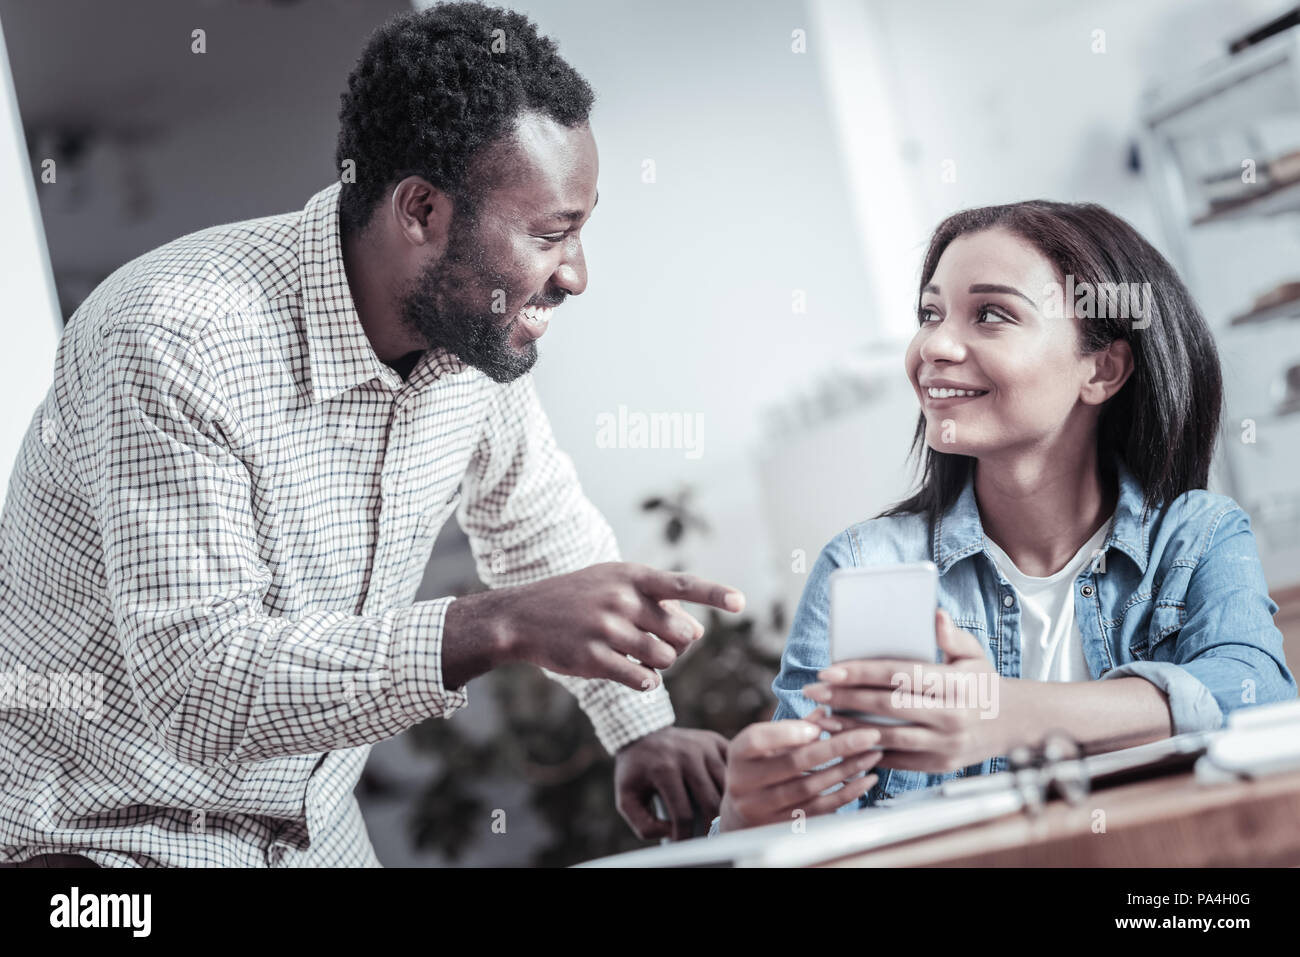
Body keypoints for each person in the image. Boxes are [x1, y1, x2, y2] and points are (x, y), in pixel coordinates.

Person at [0, 2, 743, 868]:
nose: (576, 274)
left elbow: (539, 530)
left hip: (312, 841)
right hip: (96, 849)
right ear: (421, 210)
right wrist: (492, 625)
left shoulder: (469, 349)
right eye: (551, 234)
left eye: (580, 228)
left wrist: (640, 731)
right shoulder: (175, 333)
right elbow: (199, 684)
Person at [714, 199, 1297, 833]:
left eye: (991, 314)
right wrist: (751, 815)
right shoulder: (866, 566)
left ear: (1102, 368)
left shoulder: (1197, 535)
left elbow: (1256, 693)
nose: (933, 345)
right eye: (929, 313)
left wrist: (1003, 715)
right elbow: (819, 825)